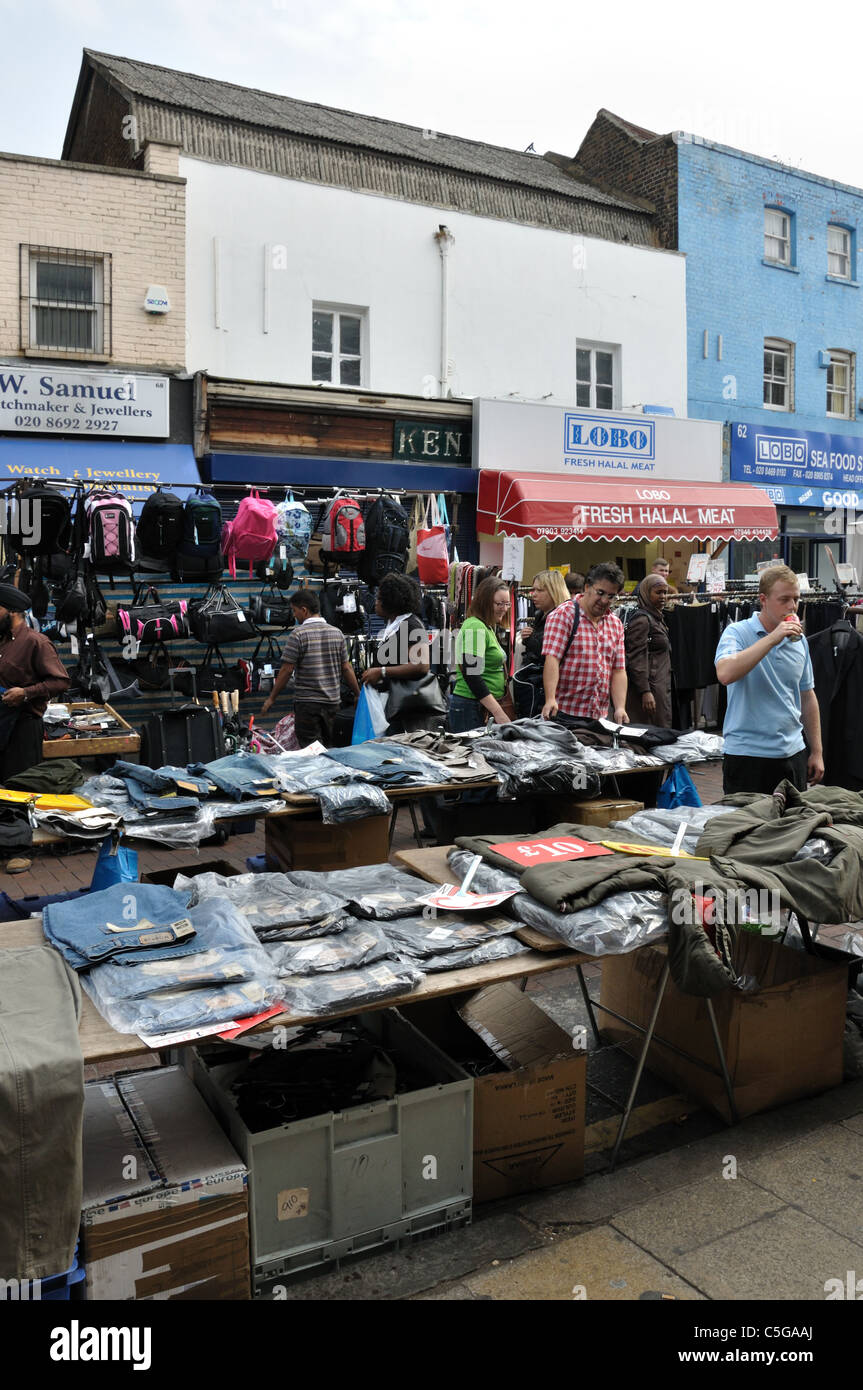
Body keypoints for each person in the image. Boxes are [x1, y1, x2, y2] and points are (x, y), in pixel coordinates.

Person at [714, 564, 824, 795]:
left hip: (792, 752)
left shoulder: (799, 641)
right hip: (747, 755)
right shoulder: (737, 633)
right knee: (749, 829)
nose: (792, 606)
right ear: (763, 599)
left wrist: (817, 751)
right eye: (784, 599)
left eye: (796, 599)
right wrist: (773, 638)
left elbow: (807, 695)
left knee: (792, 827)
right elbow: (725, 673)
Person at [260, 587, 360, 747]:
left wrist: (271, 698)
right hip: (332, 704)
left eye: (294, 610)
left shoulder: (298, 634)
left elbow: (286, 670)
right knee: (331, 747)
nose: (294, 615)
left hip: (307, 706)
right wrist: (357, 693)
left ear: (304, 610)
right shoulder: (337, 633)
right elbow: (346, 668)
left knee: (311, 751)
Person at [541, 561, 629, 724]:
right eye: (600, 592)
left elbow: (618, 670)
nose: (604, 600)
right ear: (587, 587)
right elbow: (552, 659)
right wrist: (550, 698)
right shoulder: (563, 615)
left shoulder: (615, 624)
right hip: (565, 714)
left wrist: (619, 707)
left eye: (611, 596)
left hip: (599, 717)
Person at [0, 583, 70, 783]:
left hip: (23, 728)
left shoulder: (36, 642)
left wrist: (25, 693)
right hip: (2, 723)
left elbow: (61, 681)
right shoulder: (2, 641)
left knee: (18, 787)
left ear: (12, 612)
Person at [361, 572, 440, 733]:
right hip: (393, 705)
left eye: (379, 598)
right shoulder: (394, 626)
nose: (375, 602)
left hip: (405, 711)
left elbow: (422, 665)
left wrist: (382, 671)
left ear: (391, 600)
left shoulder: (411, 625)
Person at [448, 576, 512, 732]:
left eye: (507, 604)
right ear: (484, 602)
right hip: (472, 708)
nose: (504, 608)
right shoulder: (475, 626)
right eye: (499, 604)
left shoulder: (486, 626)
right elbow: (472, 675)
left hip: (477, 707)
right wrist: (498, 712)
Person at [515, 569, 570, 717]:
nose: (533, 594)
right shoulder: (541, 615)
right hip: (535, 689)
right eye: (533, 589)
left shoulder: (560, 617)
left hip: (548, 693)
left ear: (553, 590)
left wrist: (529, 640)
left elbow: (550, 654)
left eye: (539, 590)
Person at [625, 575, 672, 726]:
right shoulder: (642, 620)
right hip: (650, 689)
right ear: (646, 592)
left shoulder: (656, 617)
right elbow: (636, 658)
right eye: (658, 593)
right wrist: (645, 691)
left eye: (665, 592)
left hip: (659, 685)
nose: (663, 597)